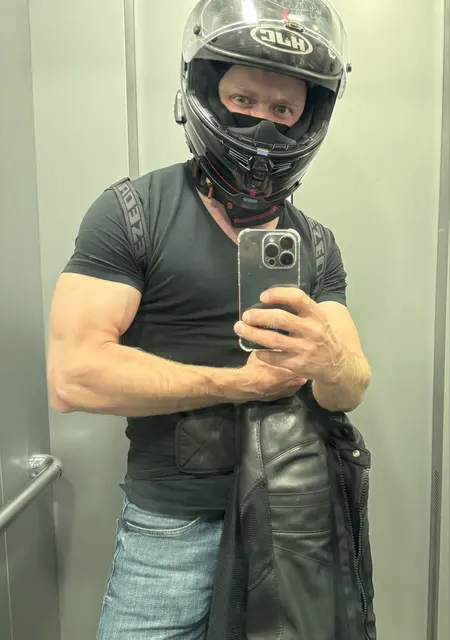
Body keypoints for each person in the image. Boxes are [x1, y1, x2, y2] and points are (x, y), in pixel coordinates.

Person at [47, 0, 372, 638]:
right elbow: (73, 377)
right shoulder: (132, 212)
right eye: (243, 99)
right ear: (205, 93)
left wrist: (328, 361)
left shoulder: (315, 243)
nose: (264, 122)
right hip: (173, 527)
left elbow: (351, 388)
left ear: (309, 117)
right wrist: (238, 385)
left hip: (295, 515)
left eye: (284, 110)